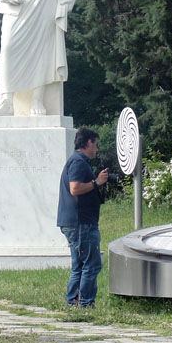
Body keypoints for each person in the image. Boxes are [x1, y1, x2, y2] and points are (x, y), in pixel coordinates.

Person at [56, 128, 108, 307]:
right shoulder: (78, 162)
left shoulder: (77, 160)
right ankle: (85, 303)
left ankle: (73, 301)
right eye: (96, 144)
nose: (97, 149)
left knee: (79, 265)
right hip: (81, 222)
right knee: (91, 264)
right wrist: (96, 182)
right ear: (89, 143)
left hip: (75, 221)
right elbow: (75, 188)